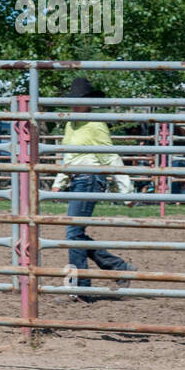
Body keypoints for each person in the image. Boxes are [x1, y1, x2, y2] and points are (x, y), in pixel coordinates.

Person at [52, 76, 137, 301]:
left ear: (89, 102)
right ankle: (118, 267)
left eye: (79, 100)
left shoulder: (96, 123)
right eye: (73, 100)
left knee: (72, 234)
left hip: (90, 178)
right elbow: (68, 156)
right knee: (75, 234)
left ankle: (82, 289)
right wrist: (59, 183)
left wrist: (125, 189)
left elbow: (110, 156)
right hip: (77, 179)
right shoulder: (71, 124)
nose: (75, 104)